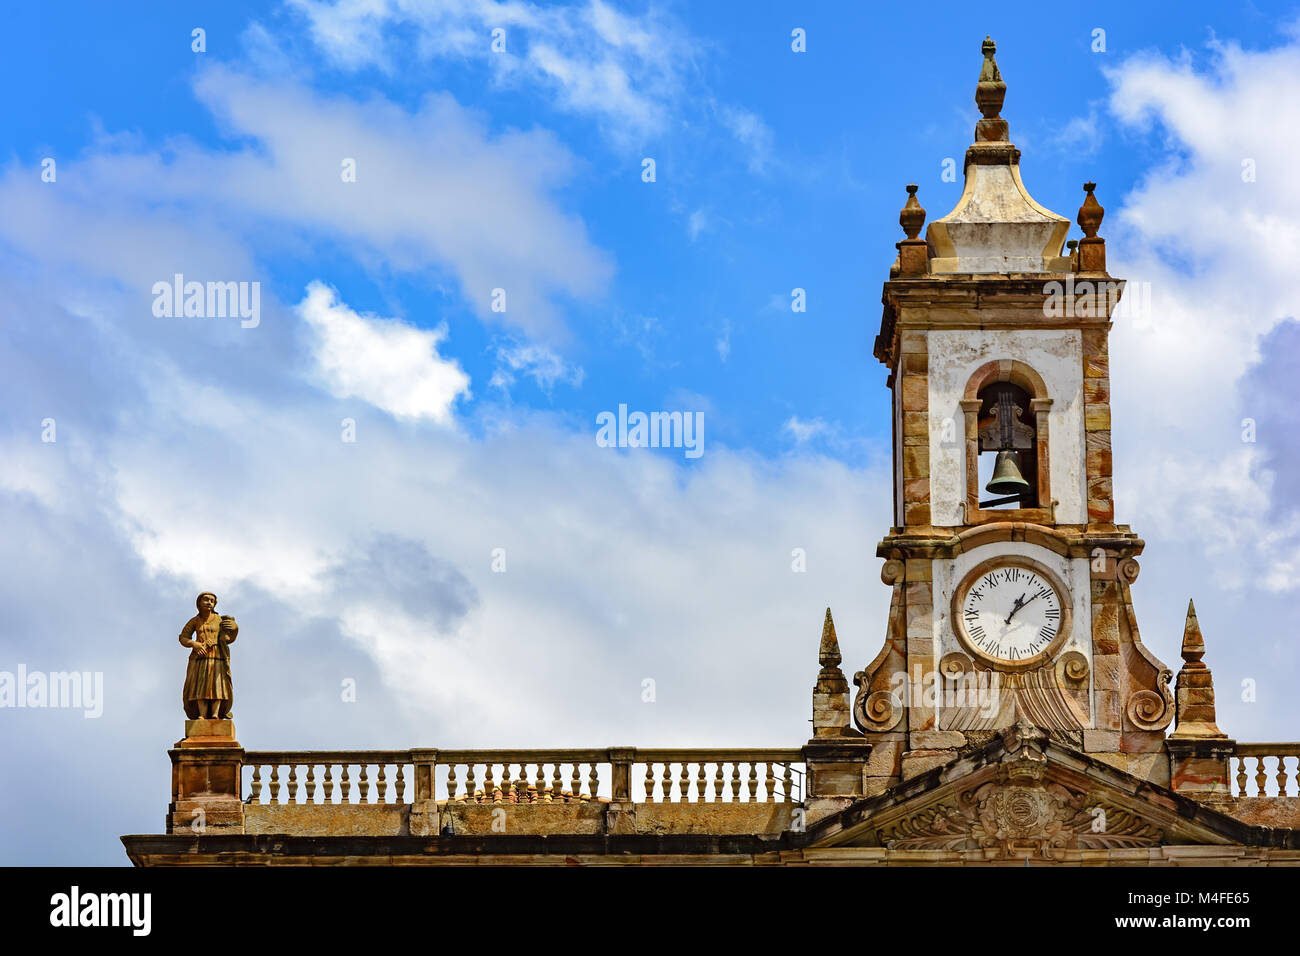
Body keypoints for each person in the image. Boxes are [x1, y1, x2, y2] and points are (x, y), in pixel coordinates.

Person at [179, 591, 238, 719]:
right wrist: (195, 644)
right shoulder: (195, 620)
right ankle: (202, 714)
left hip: (217, 657)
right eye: (206, 600)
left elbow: (229, 637)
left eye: (212, 601)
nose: (209, 603)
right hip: (200, 657)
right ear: (199, 603)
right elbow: (183, 637)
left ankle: (216, 714)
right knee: (201, 686)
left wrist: (234, 628)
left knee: (217, 686)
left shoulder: (220, 620)